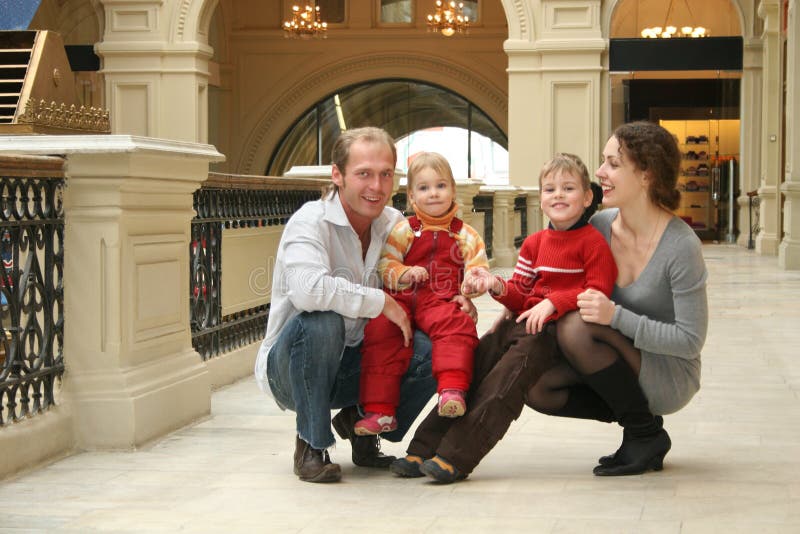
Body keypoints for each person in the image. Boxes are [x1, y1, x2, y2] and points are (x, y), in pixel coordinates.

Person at [253, 127, 476, 483]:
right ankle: (311, 443)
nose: (376, 185)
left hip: (359, 359)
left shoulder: (395, 224)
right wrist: (380, 301)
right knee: (321, 320)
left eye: (385, 174)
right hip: (294, 368)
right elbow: (307, 291)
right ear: (338, 175)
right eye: (364, 174)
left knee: (435, 345)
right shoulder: (310, 222)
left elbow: (425, 281)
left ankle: (362, 423)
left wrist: (459, 299)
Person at [390, 152, 619, 482]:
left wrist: (553, 303)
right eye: (550, 189)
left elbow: (598, 292)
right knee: (474, 367)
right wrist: (496, 285)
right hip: (521, 321)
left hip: (552, 333)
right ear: (541, 199)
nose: (558, 195)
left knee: (503, 384)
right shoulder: (534, 243)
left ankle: (455, 456)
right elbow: (521, 292)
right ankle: (422, 448)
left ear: (586, 198)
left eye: (568, 188)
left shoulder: (592, 243)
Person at [354, 152, 490, 436]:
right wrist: (404, 273)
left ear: (453, 189)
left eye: (440, 186)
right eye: (424, 188)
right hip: (402, 299)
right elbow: (386, 263)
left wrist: (468, 291)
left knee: (457, 325)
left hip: (441, 298)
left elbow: (478, 269)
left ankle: (452, 390)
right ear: (412, 197)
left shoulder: (465, 234)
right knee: (380, 333)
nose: (433, 194)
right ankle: (380, 410)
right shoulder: (404, 230)